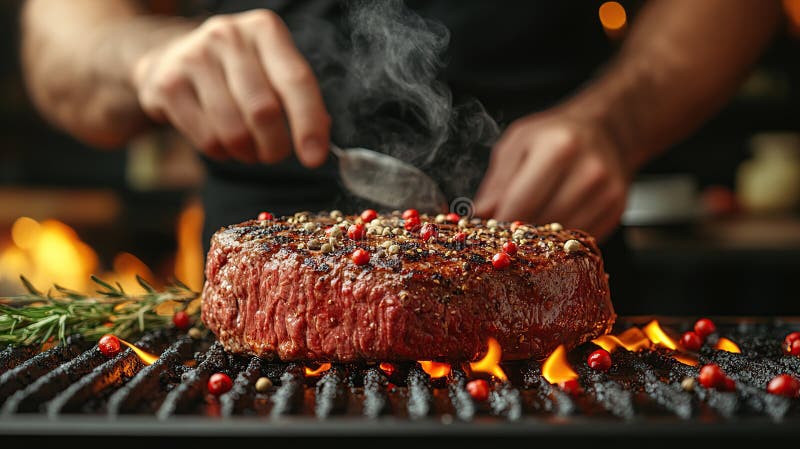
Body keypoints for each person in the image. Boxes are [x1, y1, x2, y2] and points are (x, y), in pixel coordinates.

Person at [19, 0, 781, 313]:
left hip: (555, 283)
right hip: (251, 319)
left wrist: (617, 121)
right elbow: (62, 39)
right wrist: (146, 55)